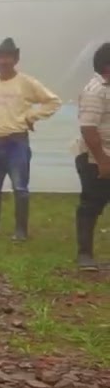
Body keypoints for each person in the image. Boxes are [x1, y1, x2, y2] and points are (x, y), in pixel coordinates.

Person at [0, 37, 62, 241]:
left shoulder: (27, 83)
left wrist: (32, 116)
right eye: (0, 57)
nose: (4, 61)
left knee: (20, 188)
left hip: (16, 141)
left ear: (16, 59)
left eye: (8, 57)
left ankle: (21, 231)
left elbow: (53, 102)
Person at [74, 42, 110, 271]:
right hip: (95, 157)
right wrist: (103, 161)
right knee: (92, 205)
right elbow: (88, 129)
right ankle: (85, 254)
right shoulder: (95, 91)